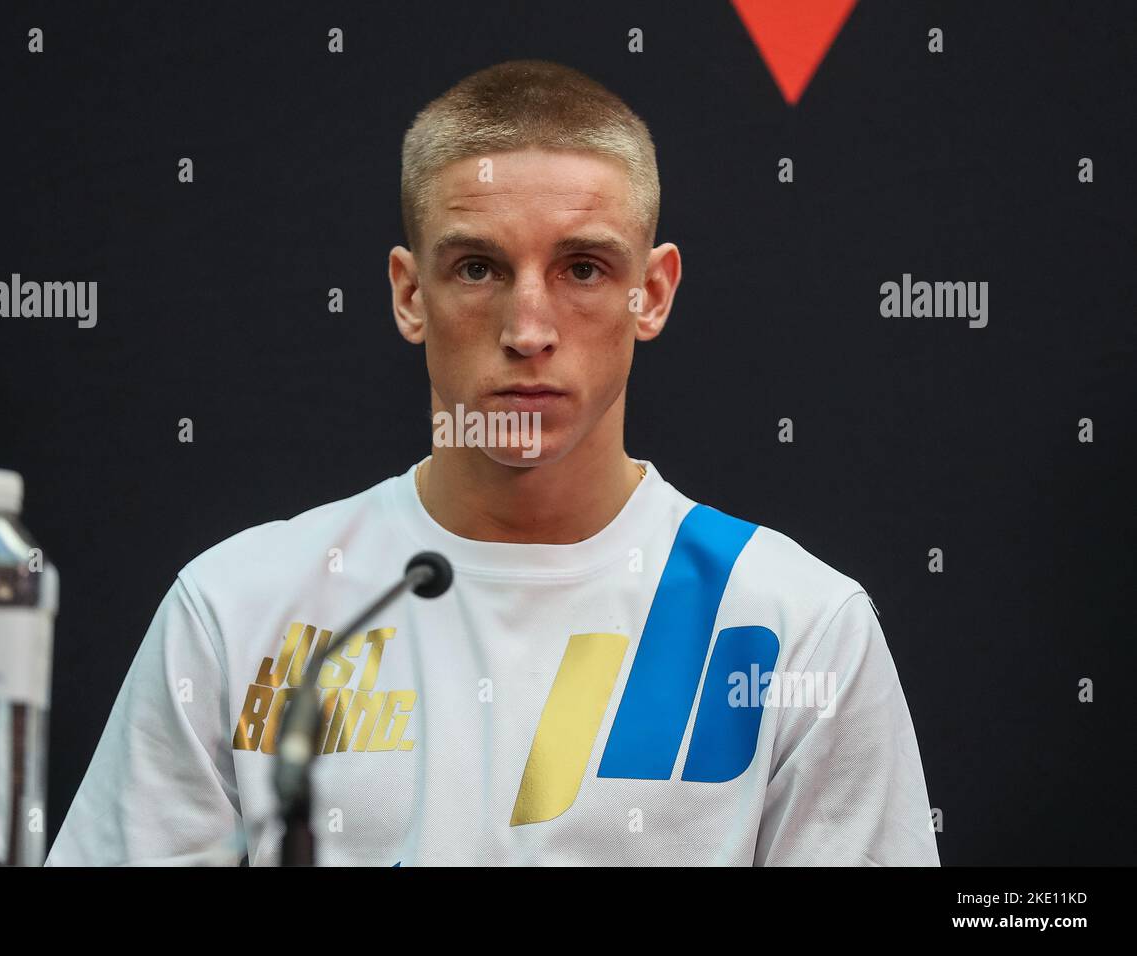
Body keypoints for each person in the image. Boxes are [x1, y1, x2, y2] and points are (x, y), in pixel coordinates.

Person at [46, 59, 939, 866]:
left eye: (584, 269)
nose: (528, 330)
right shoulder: (237, 607)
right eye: (478, 267)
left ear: (652, 293)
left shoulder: (799, 625)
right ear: (409, 294)